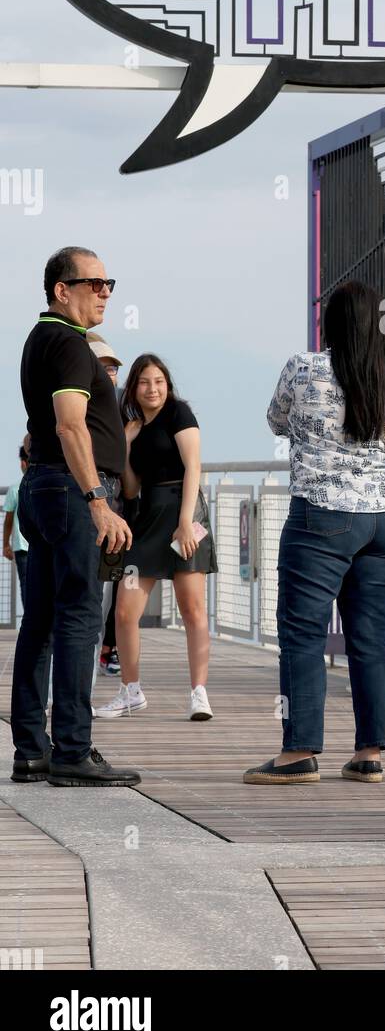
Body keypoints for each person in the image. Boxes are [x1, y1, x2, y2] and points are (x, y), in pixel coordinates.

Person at [244, 279, 385, 786]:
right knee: (372, 636)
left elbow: (276, 421)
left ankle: (299, 753)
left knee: (303, 633)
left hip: (324, 514)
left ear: (330, 323)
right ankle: (369, 754)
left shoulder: (305, 367)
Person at [10, 246, 140, 787]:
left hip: (43, 486)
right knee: (81, 616)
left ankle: (32, 750)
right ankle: (72, 749)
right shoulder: (66, 342)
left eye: (109, 282)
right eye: (94, 283)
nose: (106, 291)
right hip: (69, 490)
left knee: (40, 620)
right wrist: (97, 498)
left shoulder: (43, 339)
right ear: (63, 291)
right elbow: (70, 427)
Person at [93, 354, 216, 721]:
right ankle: (130, 691)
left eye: (159, 381)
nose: (152, 389)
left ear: (167, 384)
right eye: (144, 382)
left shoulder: (180, 413)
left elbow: (194, 466)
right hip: (147, 518)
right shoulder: (133, 427)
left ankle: (199, 693)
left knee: (192, 608)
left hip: (186, 512)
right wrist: (127, 445)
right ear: (134, 387)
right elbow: (130, 490)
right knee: (126, 611)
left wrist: (183, 522)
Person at [87, 337, 124, 677]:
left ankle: (81, 693)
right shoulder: (79, 406)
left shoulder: (117, 408)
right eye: (103, 368)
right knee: (83, 606)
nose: (109, 375)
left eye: (112, 369)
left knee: (98, 599)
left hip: (115, 512)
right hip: (91, 506)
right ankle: (69, 700)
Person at [3, 436, 30, 609]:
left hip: (22, 547)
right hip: (43, 545)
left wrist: (5, 544)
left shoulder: (15, 488)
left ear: (24, 462)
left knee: (26, 586)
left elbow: (8, 520)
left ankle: (31, 626)